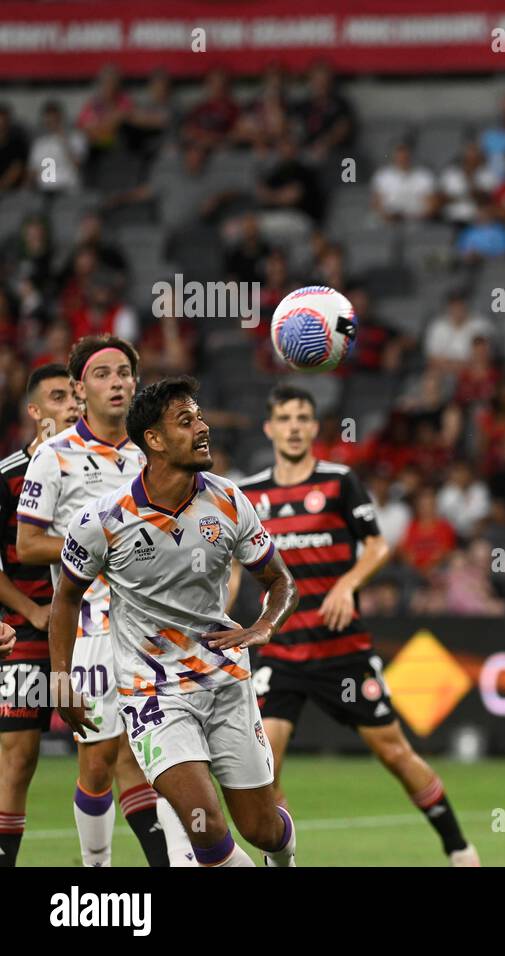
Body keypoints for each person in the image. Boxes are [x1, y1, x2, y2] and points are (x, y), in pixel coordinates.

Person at [49, 376, 298, 867]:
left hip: (226, 682)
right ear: (154, 441)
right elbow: (65, 598)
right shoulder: (104, 519)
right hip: (152, 693)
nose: (204, 428)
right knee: (206, 826)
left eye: (200, 417)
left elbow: (280, 580)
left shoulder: (228, 500)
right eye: (187, 422)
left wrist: (266, 623)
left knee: (263, 830)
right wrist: (61, 675)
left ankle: (284, 856)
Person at [232, 387, 479, 866]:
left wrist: (347, 584)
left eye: (304, 417)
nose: (295, 426)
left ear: (313, 427)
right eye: (285, 418)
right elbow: (235, 564)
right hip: (283, 650)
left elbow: (377, 546)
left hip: (341, 650)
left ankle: (459, 848)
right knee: (265, 766)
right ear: (270, 428)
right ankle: (280, 861)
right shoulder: (252, 494)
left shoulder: (340, 481)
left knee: (393, 752)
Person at [17, 337, 190, 867]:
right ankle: (97, 870)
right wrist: (103, 548)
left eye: (124, 373)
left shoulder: (152, 453)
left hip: (154, 635)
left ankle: (185, 858)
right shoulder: (53, 456)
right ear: (79, 388)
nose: (116, 383)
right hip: (89, 632)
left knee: (163, 757)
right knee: (98, 763)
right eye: (103, 374)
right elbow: (27, 544)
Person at [0, 364, 81, 866]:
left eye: (75, 396)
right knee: (19, 756)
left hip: (92, 631)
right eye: (58, 397)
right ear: (34, 412)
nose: (72, 405)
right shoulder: (8, 474)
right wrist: (31, 610)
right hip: (29, 631)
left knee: (116, 755)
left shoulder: (102, 468)